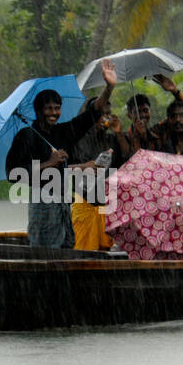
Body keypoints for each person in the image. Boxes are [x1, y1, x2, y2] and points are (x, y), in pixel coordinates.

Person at [5, 60, 117, 247]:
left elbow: (91, 115)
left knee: (67, 245)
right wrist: (48, 163)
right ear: (39, 111)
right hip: (43, 202)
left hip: (64, 200)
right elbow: (12, 173)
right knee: (45, 250)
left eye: (57, 108)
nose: (54, 113)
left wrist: (109, 88)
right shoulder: (26, 136)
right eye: (48, 108)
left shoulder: (62, 132)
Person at [68, 98, 125, 251]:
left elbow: (126, 159)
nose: (106, 118)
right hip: (84, 201)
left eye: (108, 114)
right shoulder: (76, 140)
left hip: (107, 203)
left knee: (107, 250)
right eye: (101, 114)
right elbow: (63, 168)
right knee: (83, 251)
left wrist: (119, 132)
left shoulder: (111, 139)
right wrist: (83, 167)